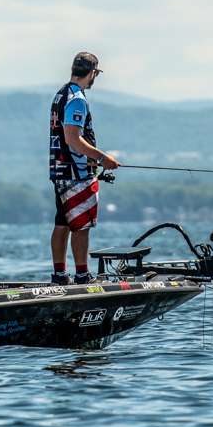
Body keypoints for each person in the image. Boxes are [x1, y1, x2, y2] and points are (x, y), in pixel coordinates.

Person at [48, 51, 120, 285]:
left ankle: (59, 275)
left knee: (62, 223)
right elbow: (73, 139)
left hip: (59, 170)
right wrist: (102, 158)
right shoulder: (77, 98)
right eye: (95, 74)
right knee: (82, 225)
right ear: (92, 73)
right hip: (76, 173)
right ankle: (81, 275)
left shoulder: (61, 94)